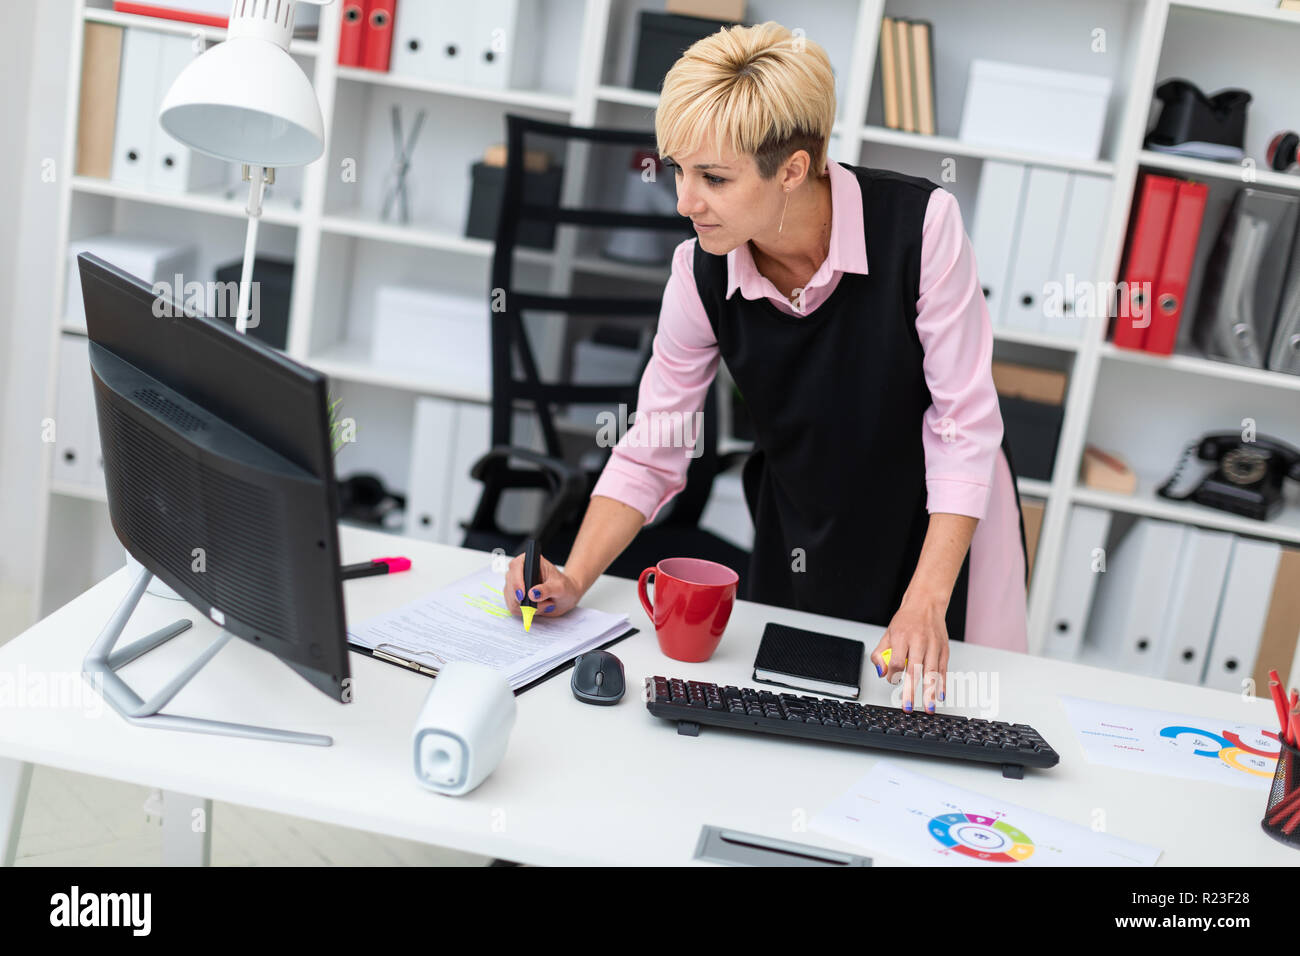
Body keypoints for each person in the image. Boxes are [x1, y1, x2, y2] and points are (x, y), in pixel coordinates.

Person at [504, 21, 1028, 715]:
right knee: (790, 721)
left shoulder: (921, 227)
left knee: (947, 726)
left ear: (792, 167)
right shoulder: (699, 272)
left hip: (943, 526)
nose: (685, 201)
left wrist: (926, 601)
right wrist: (573, 574)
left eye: (714, 178)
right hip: (803, 524)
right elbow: (655, 444)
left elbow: (963, 423)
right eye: (678, 171)